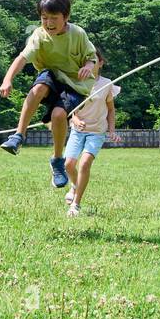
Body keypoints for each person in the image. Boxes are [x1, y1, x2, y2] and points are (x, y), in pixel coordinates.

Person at [0, 0, 98, 189]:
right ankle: (18, 135)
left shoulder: (77, 33)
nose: (49, 23)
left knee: (59, 115)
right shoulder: (39, 35)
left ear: (66, 17)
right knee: (38, 88)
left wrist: (87, 67)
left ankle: (58, 160)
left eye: (54, 18)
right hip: (52, 74)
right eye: (44, 18)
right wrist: (7, 79)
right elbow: (22, 58)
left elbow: (92, 57)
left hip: (75, 84)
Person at [62, 49, 122, 216]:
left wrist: (111, 130)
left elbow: (111, 109)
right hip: (77, 130)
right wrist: (74, 119)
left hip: (96, 132)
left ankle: (76, 204)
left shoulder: (107, 84)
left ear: (100, 63)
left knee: (85, 163)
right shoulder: (77, 81)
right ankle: (74, 186)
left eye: (94, 60)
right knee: (68, 164)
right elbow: (71, 107)